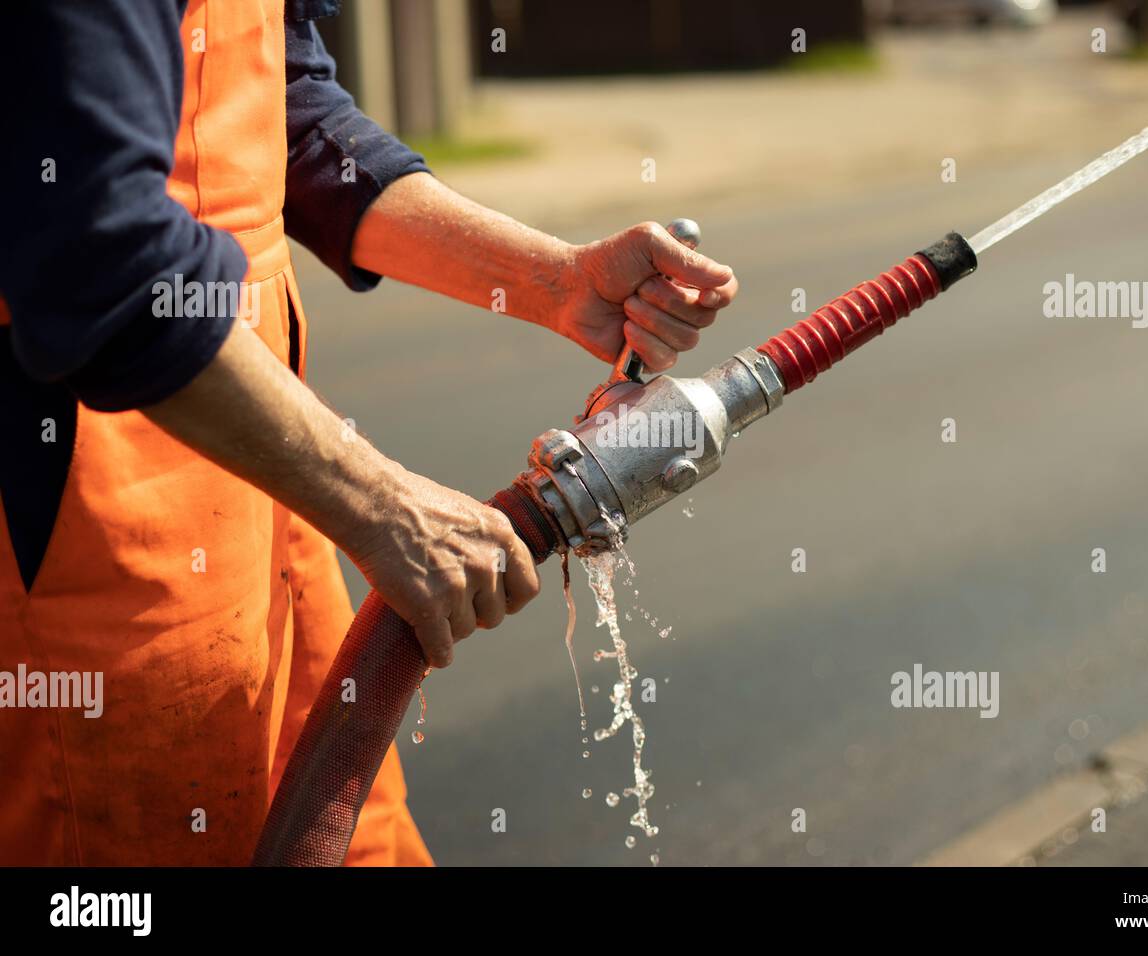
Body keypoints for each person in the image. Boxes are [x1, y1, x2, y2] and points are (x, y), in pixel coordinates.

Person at [0, 0, 738, 865]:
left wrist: (553, 281)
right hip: (94, 517)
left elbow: (288, 106)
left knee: (340, 829)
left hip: (267, 468)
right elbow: (99, 263)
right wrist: (385, 508)